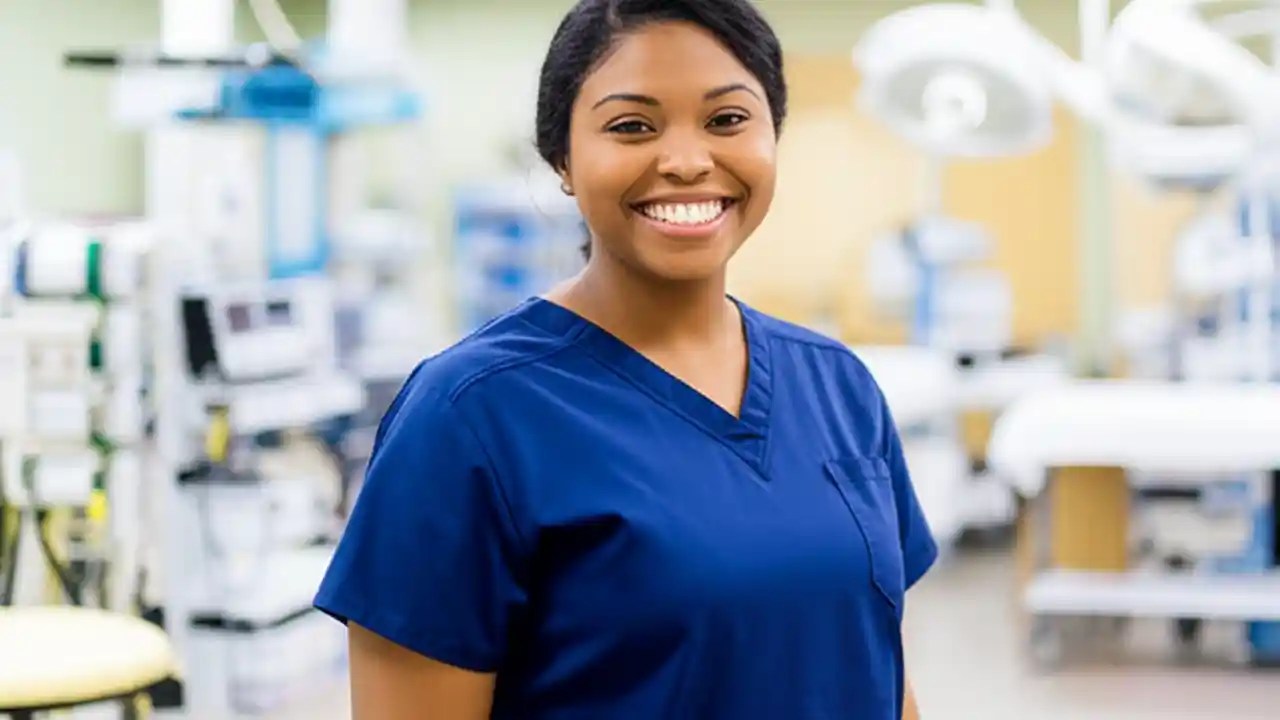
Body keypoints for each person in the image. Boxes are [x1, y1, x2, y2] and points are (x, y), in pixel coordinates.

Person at [314, 1, 937, 718]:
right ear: (562, 161)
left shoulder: (837, 386)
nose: (686, 160)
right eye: (631, 126)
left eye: (727, 120)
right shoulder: (469, 417)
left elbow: (882, 673)